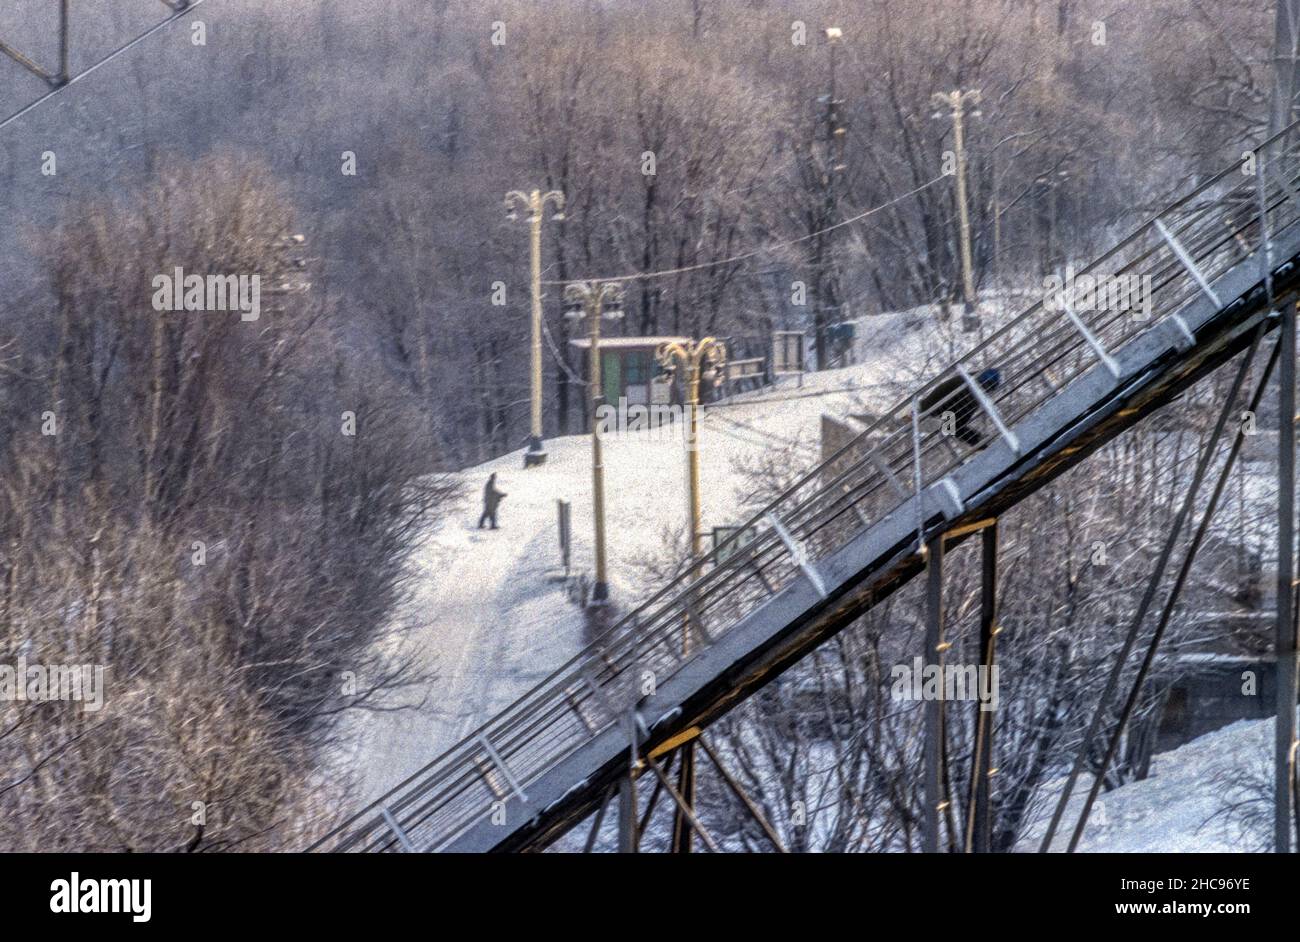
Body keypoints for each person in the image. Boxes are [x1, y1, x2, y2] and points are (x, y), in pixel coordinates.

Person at [918, 367, 1001, 447]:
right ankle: (981, 442)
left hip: (958, 398)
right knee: (952, 427)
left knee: (952, 427)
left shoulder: (931, 406)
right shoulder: (971, 387)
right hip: (947, 403)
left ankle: (981, 442)